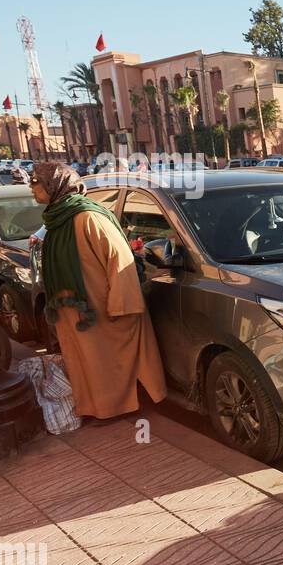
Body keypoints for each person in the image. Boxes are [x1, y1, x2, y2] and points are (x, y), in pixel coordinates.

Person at [29, 162, 166, 419]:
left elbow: (120, 260)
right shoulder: (59, 219)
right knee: (87, 363)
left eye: (36, 182)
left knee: (108, 362)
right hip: (74, 311)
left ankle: (117, 409)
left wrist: (121, 305)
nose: (31, 187)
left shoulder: (88, 217)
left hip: (101, 309)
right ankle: (96, 408)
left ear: (54, 185)